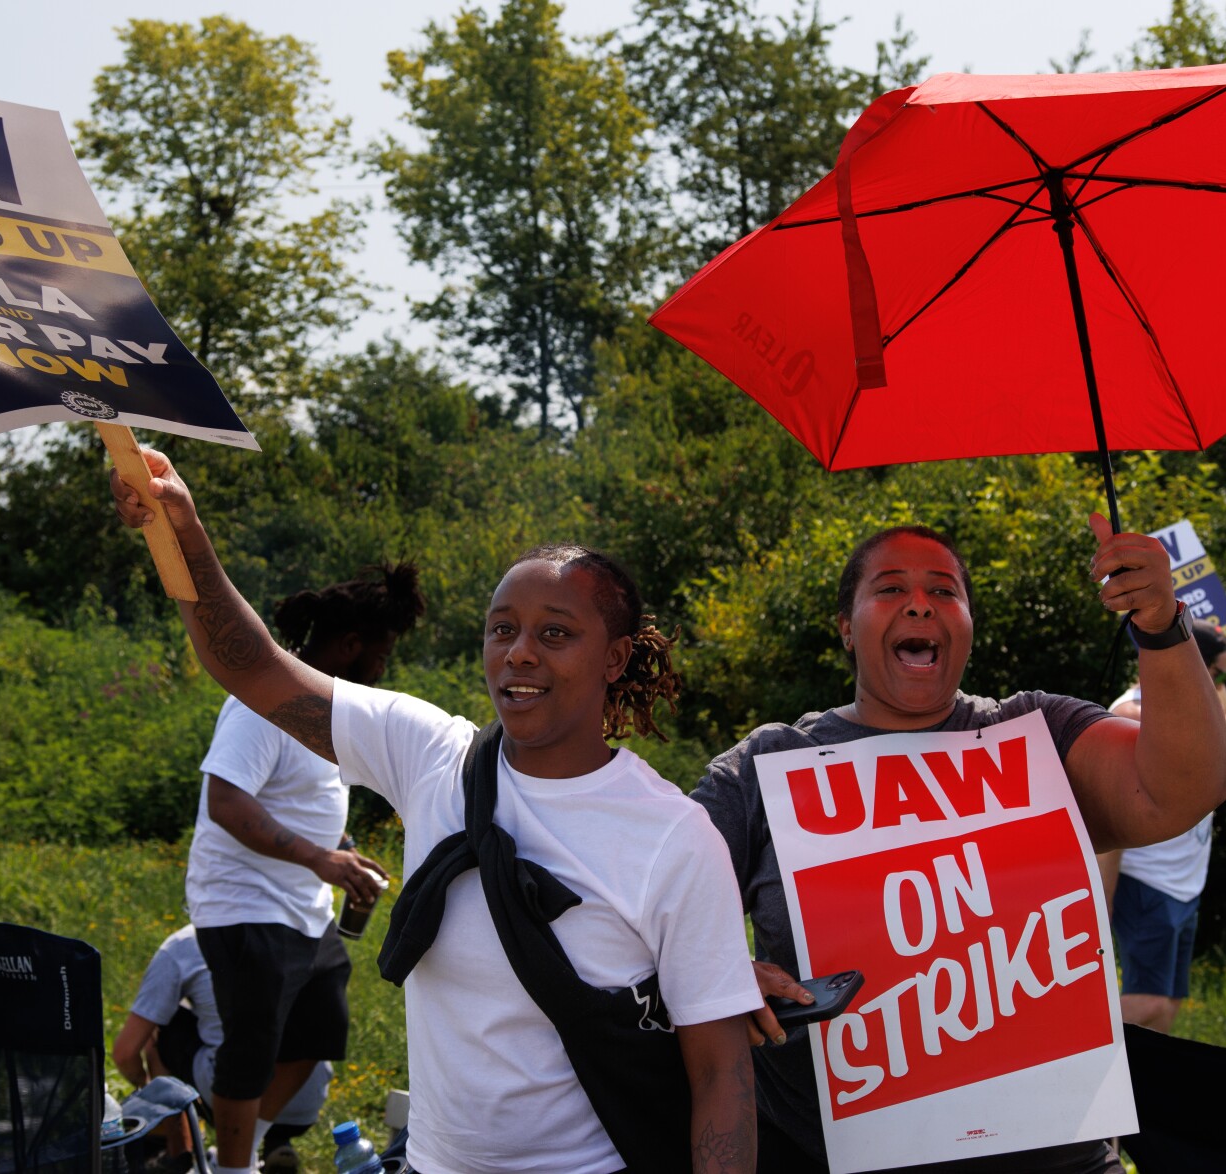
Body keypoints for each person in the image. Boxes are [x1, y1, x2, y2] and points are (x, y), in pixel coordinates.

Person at [111, 447, 761, 1174]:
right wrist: (184, 532)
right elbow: (250, 665)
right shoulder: (430, 759)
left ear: (613, 659)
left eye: (556, 633)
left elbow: (720, 1077)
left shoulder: (672, 836)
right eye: (502, 627)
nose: (517, 653)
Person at [692, 520, 1226, 1173]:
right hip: (832, 1157)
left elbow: (1184, 788)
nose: (921, 603)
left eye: (945, 592)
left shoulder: (1036, 731)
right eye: (890, 588)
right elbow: (656, 913)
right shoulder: (768, 763)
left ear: (969, 625)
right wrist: (717, 975)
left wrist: (1162, 624)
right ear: (844, 626)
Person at [186, 560, 424, 1174]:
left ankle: (234, 1145)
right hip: (246, 907)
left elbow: (298, 795)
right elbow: (227, 800)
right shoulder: (261, 704)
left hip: (302, 908)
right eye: (380, 652)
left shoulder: (321, 710)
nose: (382, 667)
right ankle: (234, 1168)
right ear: (349, 646)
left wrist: (339, 849)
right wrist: (320, 857)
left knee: (321, 1031)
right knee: (252, 1049)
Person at [1097, 619, 1226, 1034]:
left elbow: (1197, 785)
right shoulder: (1132, 712)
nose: (1220, 685)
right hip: (1147, 882)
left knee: (1166, 1007)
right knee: (1146, 1002)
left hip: (1185, 886)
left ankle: (1144, 1095)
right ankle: (1079, 1058)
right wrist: (1103, 896)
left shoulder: (1196, 716)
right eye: (1216, 674)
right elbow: (1111, 816)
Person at [111, 923, 332, 1173]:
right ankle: (276, 1144)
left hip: (233, 1099)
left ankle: (180, 1153)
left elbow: (125, 1052)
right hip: (306, 1098)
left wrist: (146, 1087)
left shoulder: (185, 943)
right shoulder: (304, 927)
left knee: (159, 1025)